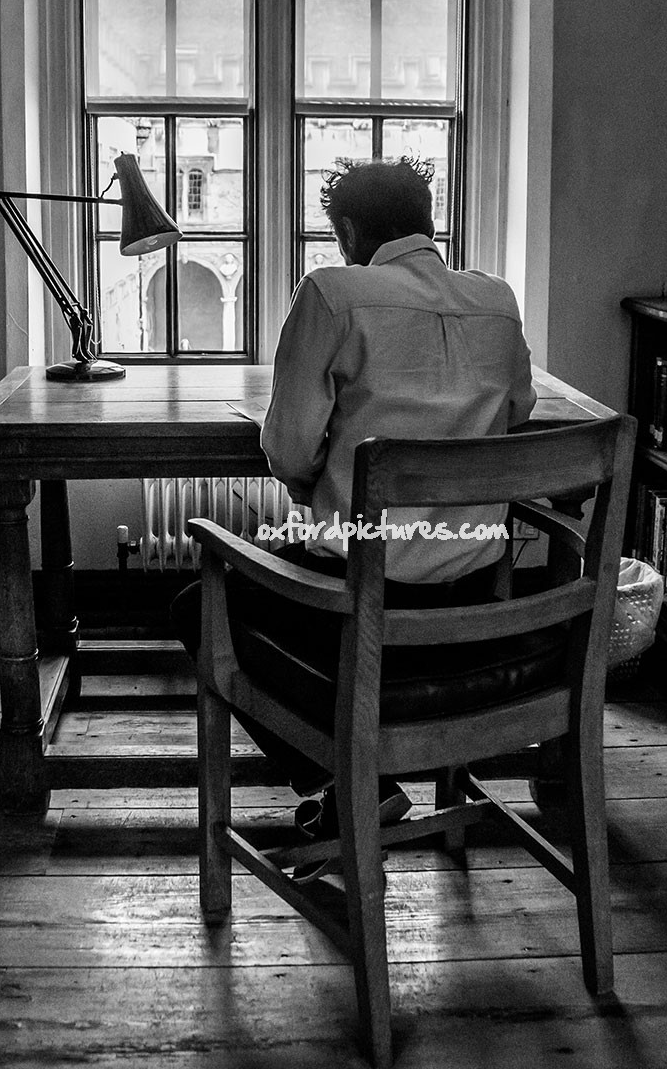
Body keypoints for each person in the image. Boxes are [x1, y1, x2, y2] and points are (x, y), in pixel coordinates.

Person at [173, 158, 540, 877]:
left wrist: (324, 477)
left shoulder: (332, 294)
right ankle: (357, 784)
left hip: (355, 621)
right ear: (428, 219)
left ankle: (338, 777)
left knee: (199, 604)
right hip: (474, 618)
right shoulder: (497, 301)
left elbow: (286, 450)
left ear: (345, 231)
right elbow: (517, 416)